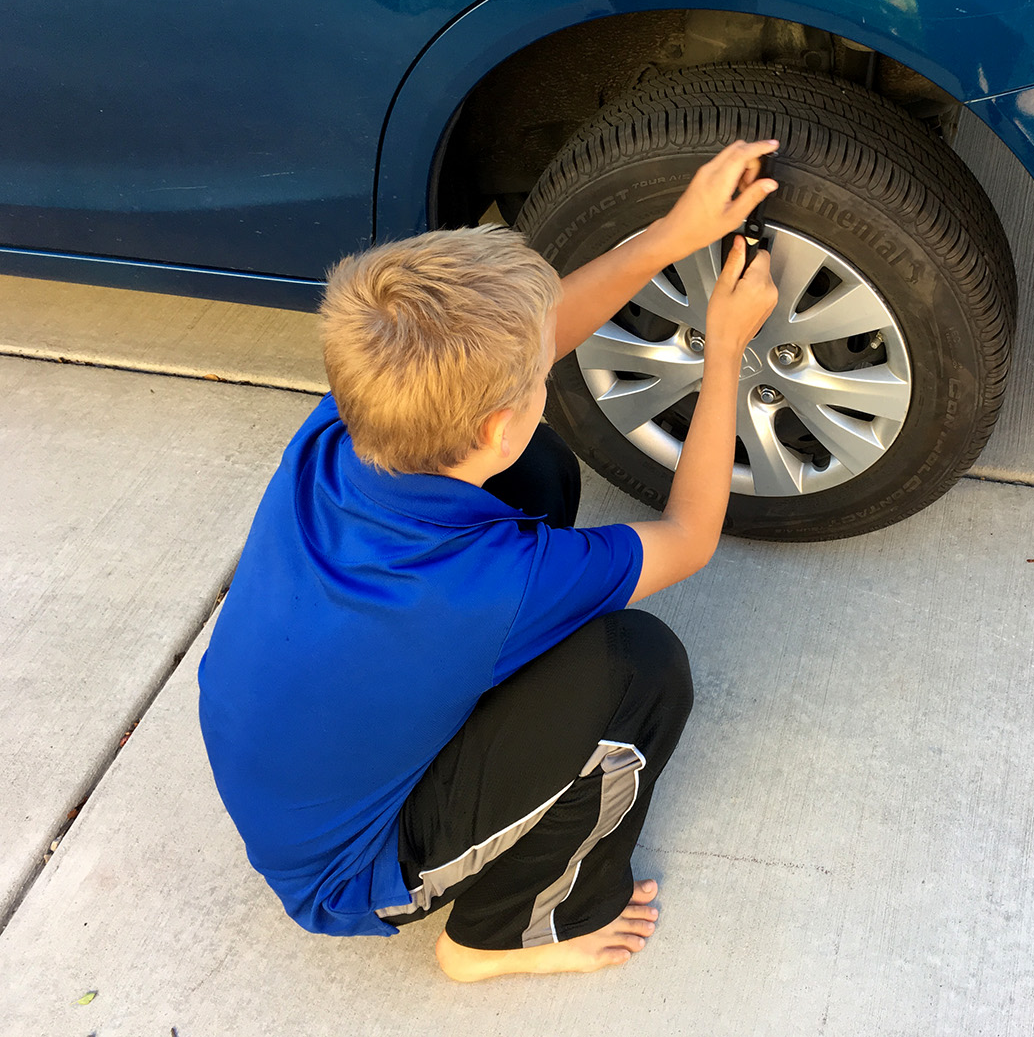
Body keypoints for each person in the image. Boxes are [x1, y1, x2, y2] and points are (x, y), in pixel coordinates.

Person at [197, 140, 781, 981]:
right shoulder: (486, 587)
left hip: (297, 773)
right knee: (638, 667)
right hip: (353, 868)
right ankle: (505, 934)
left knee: (539, 471)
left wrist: (671, 234)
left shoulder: (345, 424)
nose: (548, 363)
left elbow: (527, 352)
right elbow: (689, 539)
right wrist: (724, 350)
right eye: (536, 376)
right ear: (493, 424)